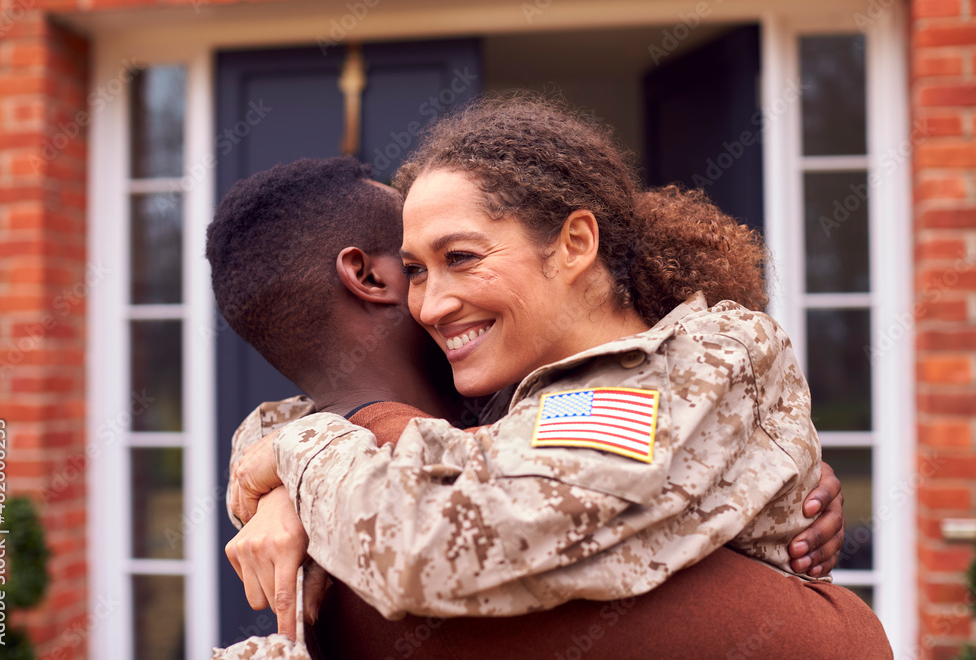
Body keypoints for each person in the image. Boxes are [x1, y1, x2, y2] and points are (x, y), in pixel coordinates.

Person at [207, 156, 877, 658]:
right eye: (417, 267)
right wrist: (299, 458)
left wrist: (766, 471)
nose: (436, 300)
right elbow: (830, 641)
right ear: (371, 277)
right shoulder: (386, 529)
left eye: (460, 257)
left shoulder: (333, 496)